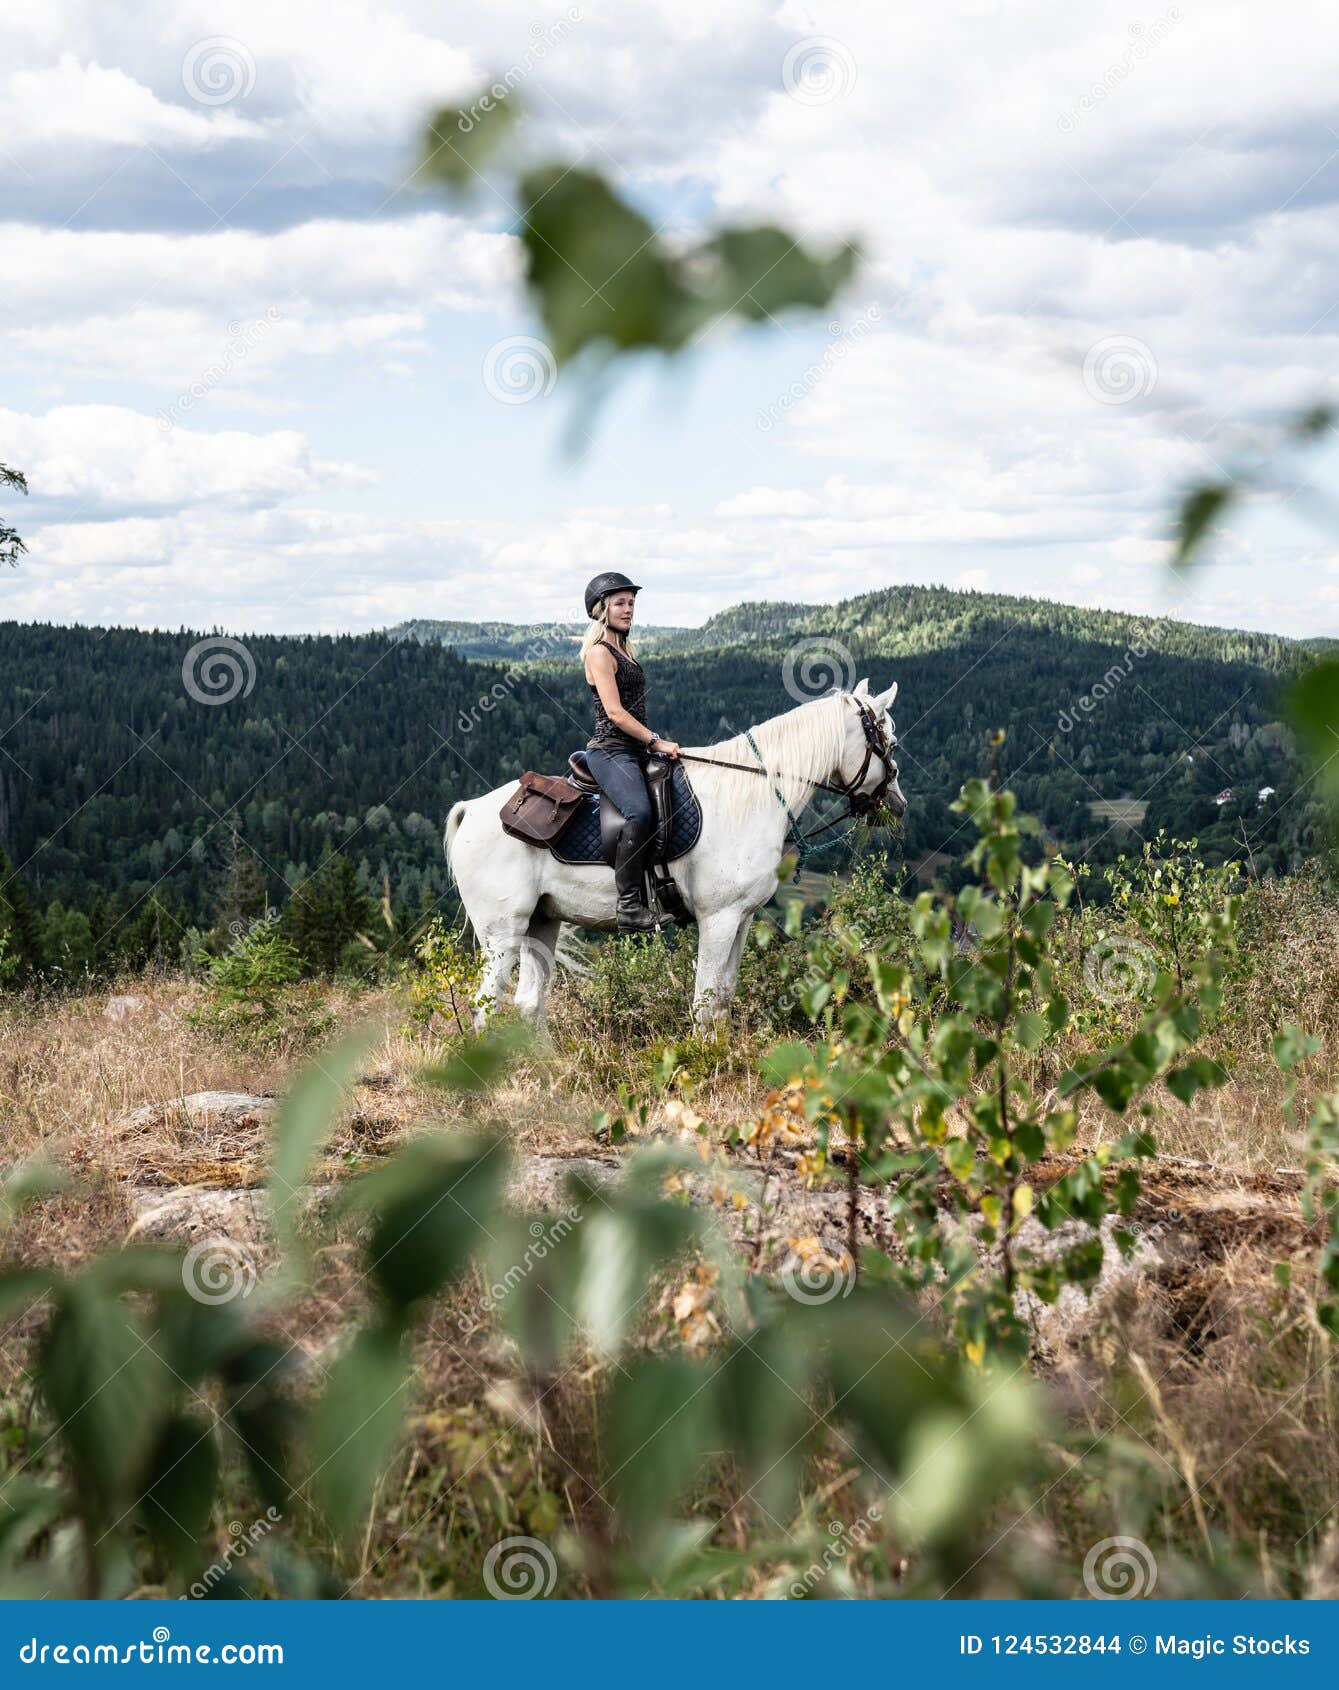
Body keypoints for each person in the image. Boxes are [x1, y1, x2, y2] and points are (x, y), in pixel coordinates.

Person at [581, 571, 681, 934]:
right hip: (610, 751)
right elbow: (615, 713)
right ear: (602, 609)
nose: (629, 610)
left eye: (632, 603)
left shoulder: (625, 650)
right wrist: (656, 741)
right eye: (621, 603)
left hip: (634, 750)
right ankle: (628, 906)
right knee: (638, 812)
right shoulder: (598, 653)